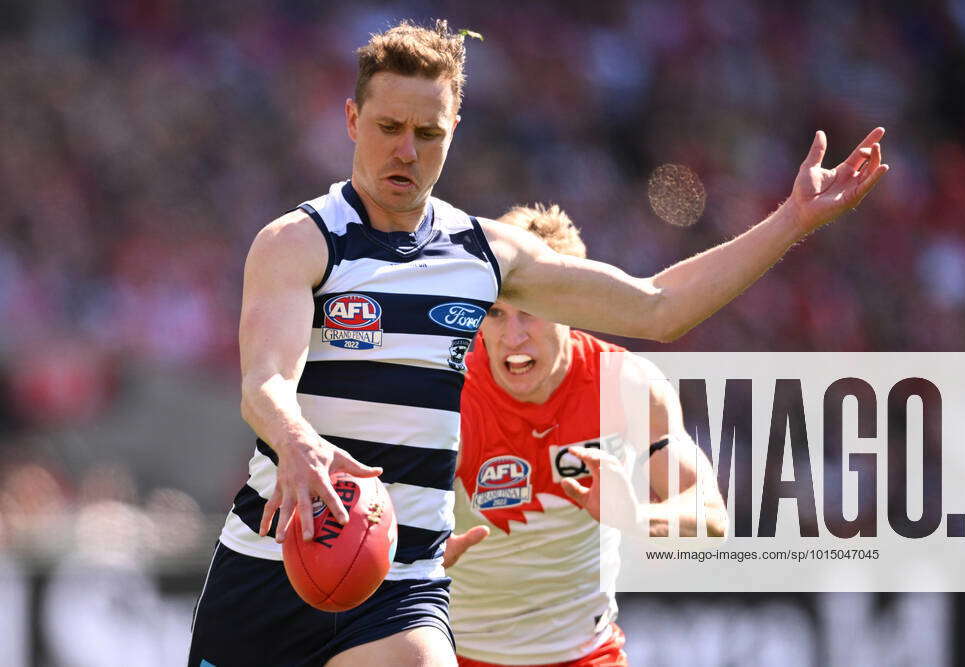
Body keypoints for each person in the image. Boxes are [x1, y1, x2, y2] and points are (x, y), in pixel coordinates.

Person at [188, 18, 889, 667]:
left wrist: (793, 220)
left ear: (455, 127)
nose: (406, 150)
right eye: (388, 126)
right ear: (350, 120)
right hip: (272, 559)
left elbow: (659, 306)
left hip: (400, 584)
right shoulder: (297, 242)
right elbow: (265, 382)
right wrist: (298, 439)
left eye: (428, 133)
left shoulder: (489, 257)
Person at [444, 204, 727, 667]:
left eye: (530, 313)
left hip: (587, 656)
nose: (512, 336)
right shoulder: (448, 392)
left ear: (572, 307)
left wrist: (637, 518)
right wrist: (411, 555)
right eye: (495, 314)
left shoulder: (625, 384)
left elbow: (711, 513)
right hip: (457, 656)